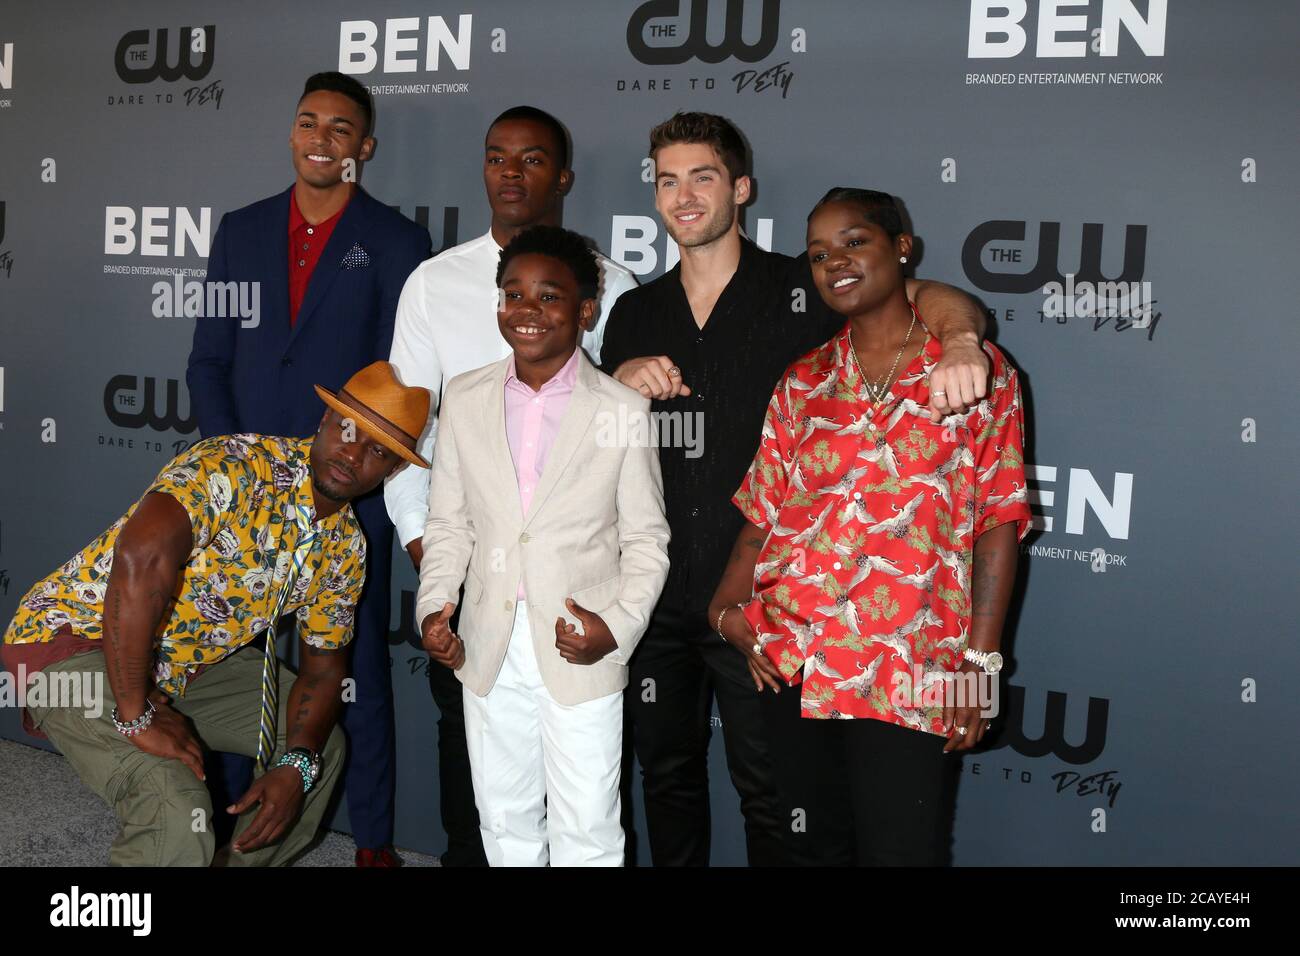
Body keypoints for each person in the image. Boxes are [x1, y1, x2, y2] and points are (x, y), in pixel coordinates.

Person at [599, 111, 993, 867]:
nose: (683, 196)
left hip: (764, 606)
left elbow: (927, 299)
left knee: (777, 799)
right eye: (667, 180)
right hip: (654, 592)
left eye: (703, 176)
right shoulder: (633, 313)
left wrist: (964, 340)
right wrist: (617, 386)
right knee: (665, 781)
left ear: (741, 188)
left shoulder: (807, 284)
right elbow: (604, 447)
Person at [708, 188, 1031, 865]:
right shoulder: (804, 381)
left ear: (902, 248)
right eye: (820, 253)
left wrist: (980, 664)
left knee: (903, 851)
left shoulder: (973, 374)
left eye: (855, 242)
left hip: (912, 665)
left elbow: (998, 519)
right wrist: (725, 608)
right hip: (797, 657)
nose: (835, 262)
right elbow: (765, 513)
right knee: (811, 850)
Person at [1, 362, 431, 867]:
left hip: (181, 663)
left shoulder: (344, 550)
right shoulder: (234, 465)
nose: (353, 454)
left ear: (394, 471)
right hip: (72, 643)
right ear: (324, 421)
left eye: (378, 451)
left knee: (317, 753)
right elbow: (141, 560)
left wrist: (295, 763)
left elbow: (323, 670)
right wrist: (135, 711)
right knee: (175, 807)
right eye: (348, 430)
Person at [186, 71, 431, 866]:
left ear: (364, 147)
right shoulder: (240, 231)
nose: (320, 140)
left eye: (339, 129)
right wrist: (240, 467)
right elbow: (207, 362)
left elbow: (402, 385)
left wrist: (347, 476)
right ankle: (220, 820)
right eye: (307, 123)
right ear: (292, 133)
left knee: (354, 672)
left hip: (345, 494)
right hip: (244, 493)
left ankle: (376, 843)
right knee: (228, 660)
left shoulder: (396, 242)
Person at [385, 106, 637, 866]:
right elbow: (405, 432)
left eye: (532, 160)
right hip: (463, 571)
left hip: (572, 589)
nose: (511, 174)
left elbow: (622, 454)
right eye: (497, 157)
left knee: (587, 803)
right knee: (486, 796)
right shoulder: (433, 283)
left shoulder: (616, 287)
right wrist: (437, 561)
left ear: (563, 176)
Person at [416, 226, 669, 866]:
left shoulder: (621, 408)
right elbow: (448, 523)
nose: (527, 312)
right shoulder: (465, 396)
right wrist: (435, 606)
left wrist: (615, 625)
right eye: (512, 294)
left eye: (549, 297)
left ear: (585, 311)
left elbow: (646, 540)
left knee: (588, 828)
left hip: (581, 644)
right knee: (504, 821)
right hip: (487, 644)